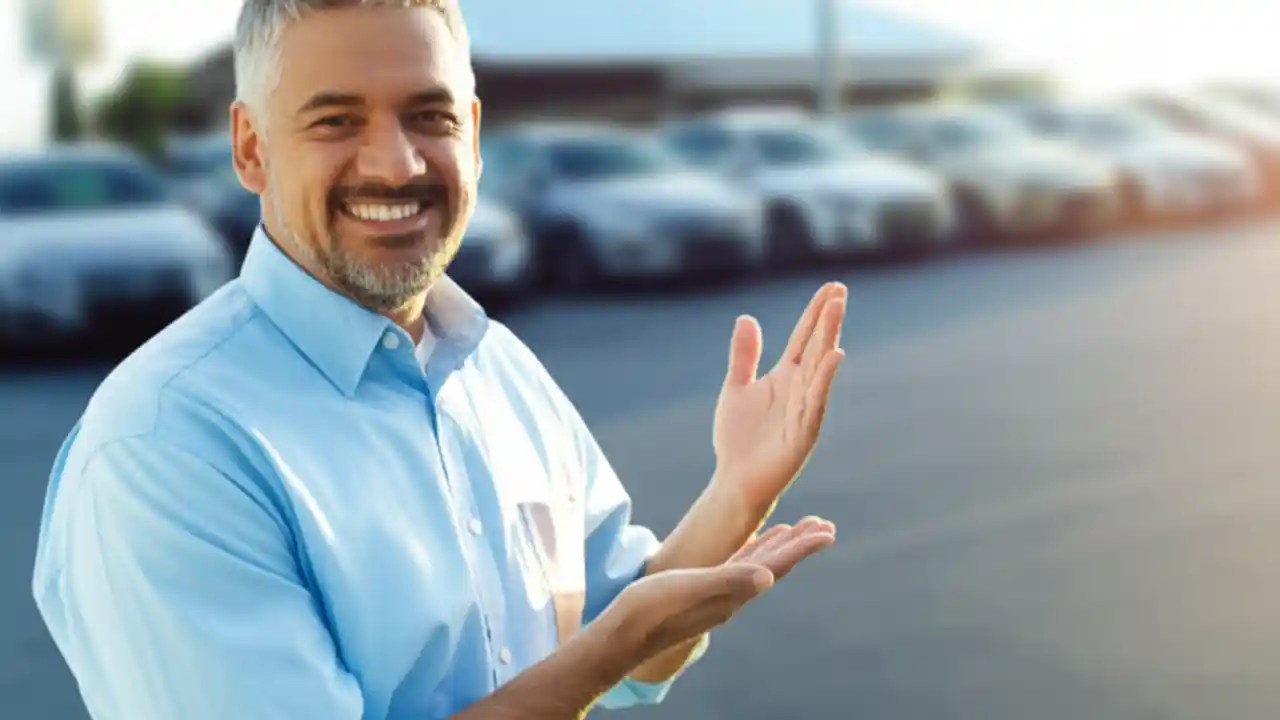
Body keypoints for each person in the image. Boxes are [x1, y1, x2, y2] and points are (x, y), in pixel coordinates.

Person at [31, 1, 849, 718]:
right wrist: (611, 650)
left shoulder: (498, 370)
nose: (396, 164)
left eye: (431, 116)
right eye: (336, 121)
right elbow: (611, 650)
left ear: (476, 134)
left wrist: (736, 490)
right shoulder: (166, 442)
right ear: (250, 148)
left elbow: (635, 638)